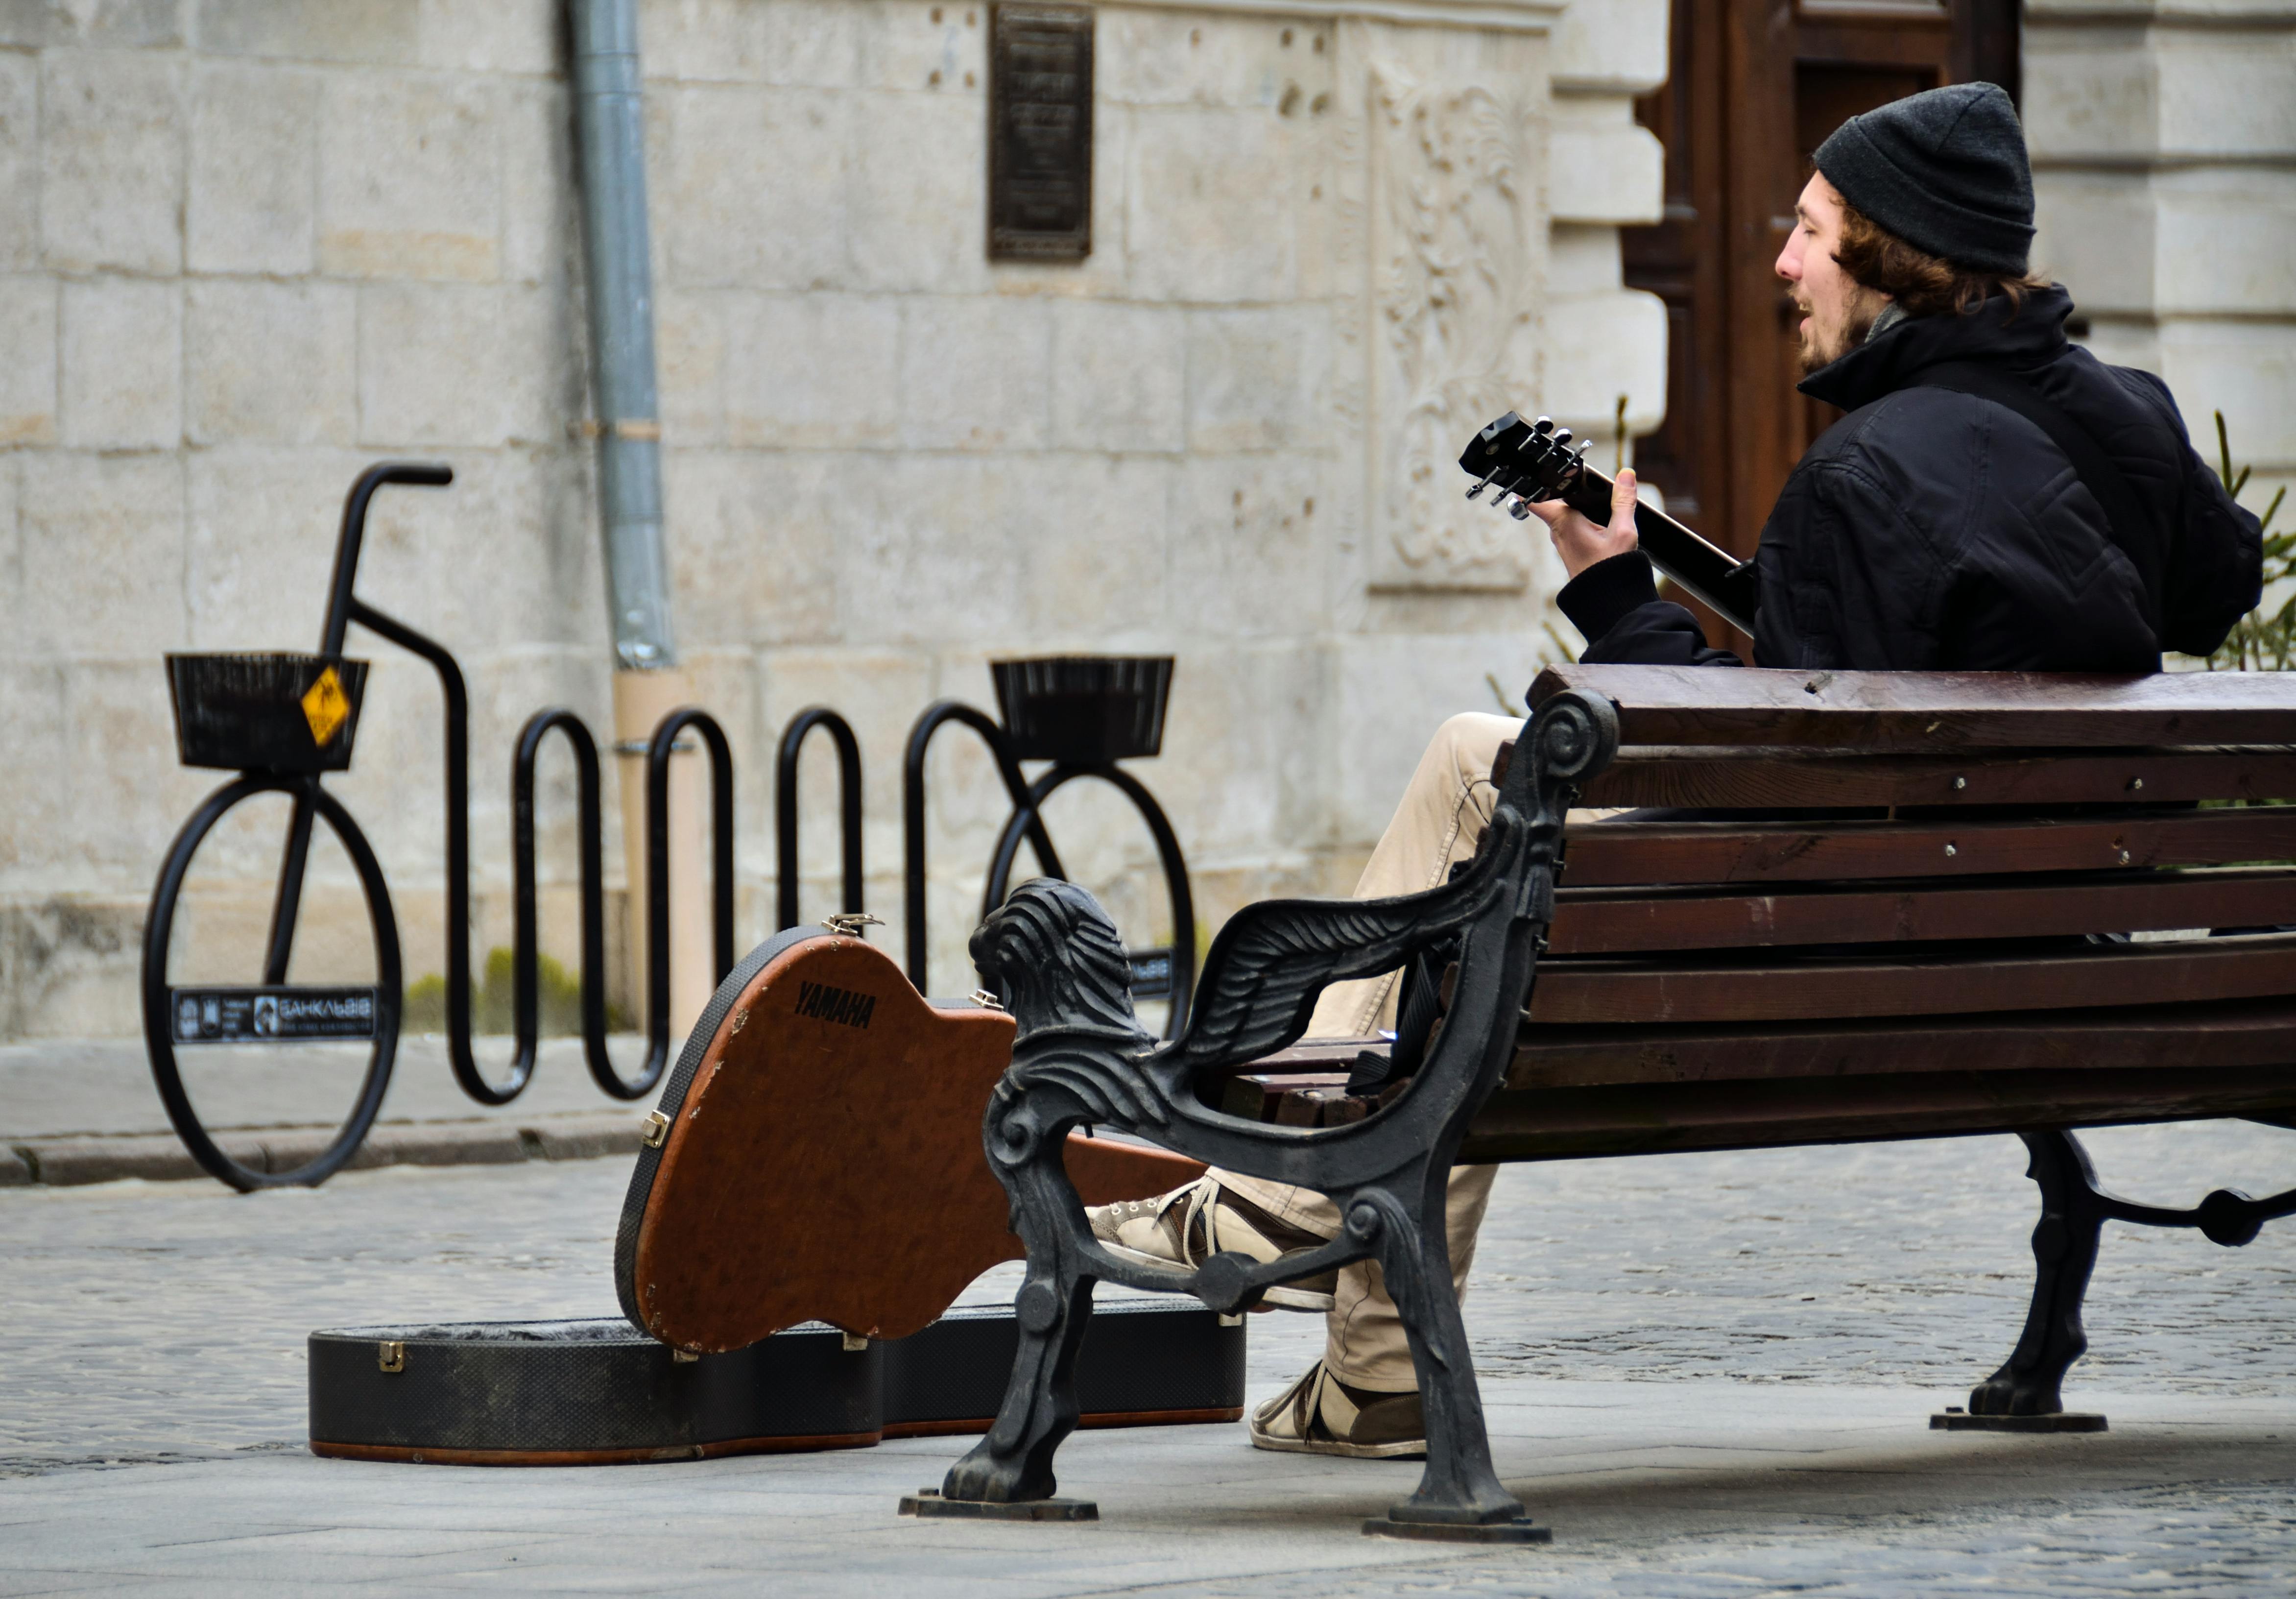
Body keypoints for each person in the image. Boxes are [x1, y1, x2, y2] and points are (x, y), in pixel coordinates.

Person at [1087, 81, 2266, 1458]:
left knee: (1484, 774)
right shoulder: (2127, 418)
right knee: (1491, 829)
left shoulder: (1866, 477)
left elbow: (1763, 803)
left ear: (1896, 252)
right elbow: (2203, 582)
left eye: (1812, 230)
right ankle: (1366, 1357)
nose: (1780, 263)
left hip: (1845, 967)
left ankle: (1292, 1212)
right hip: (2072, 951)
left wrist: (1611, 601)